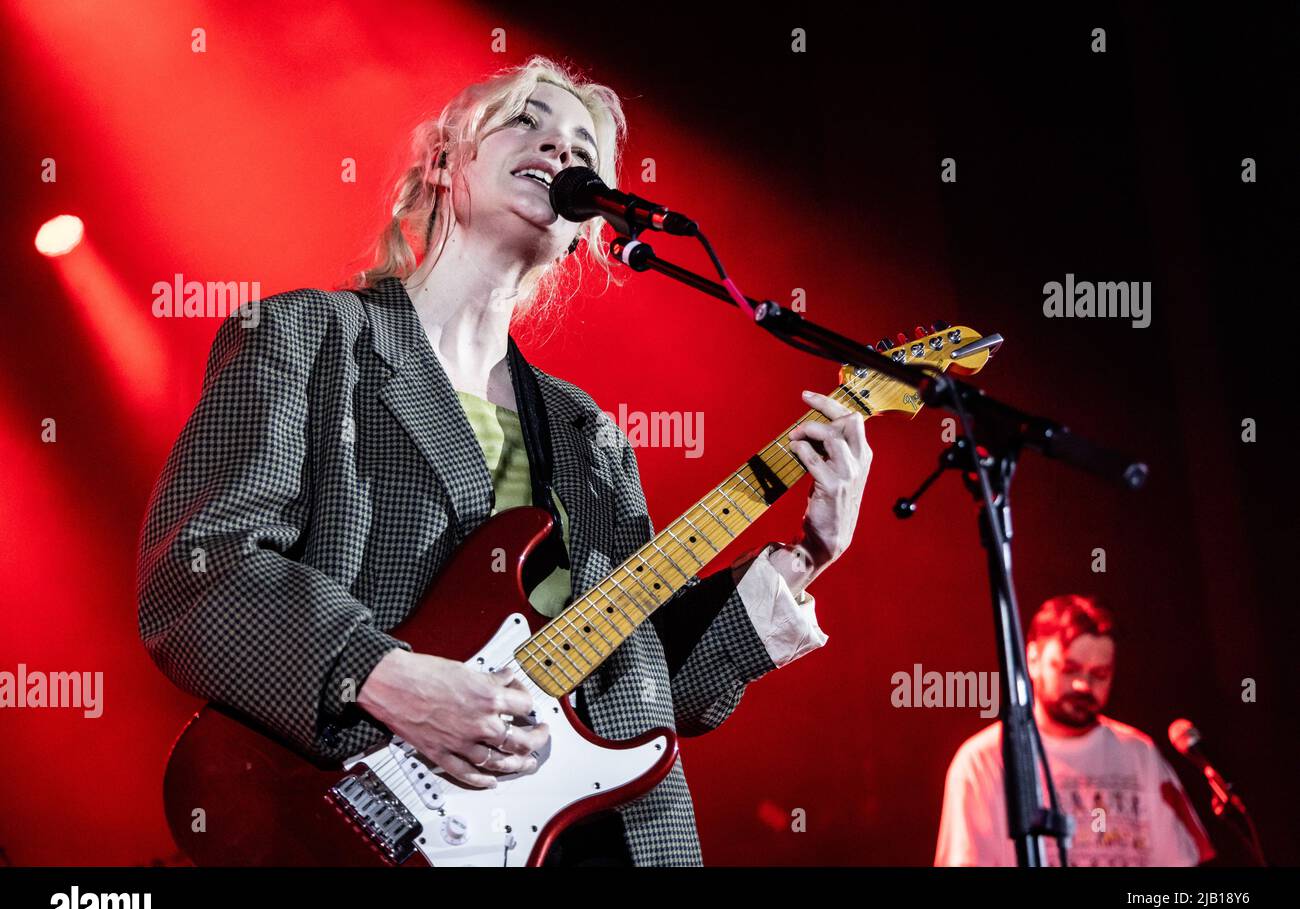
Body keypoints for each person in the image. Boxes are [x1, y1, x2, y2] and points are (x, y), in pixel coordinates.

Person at [135, 56, 872, 866]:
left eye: (583, 149)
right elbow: (201, 574)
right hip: (346, 820)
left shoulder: (585, 434)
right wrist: (384, 676)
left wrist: (804, 557)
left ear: (588, 231)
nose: (561, 149)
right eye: (528, 121)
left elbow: (643, 694)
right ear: (445, 162)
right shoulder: (306, 340)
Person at [934, 594, 1215, 866]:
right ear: (1032, 660)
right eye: (1070, 670)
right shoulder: (984, 760)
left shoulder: (1140, 755)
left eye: (1099, 674)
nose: (1083, 685)